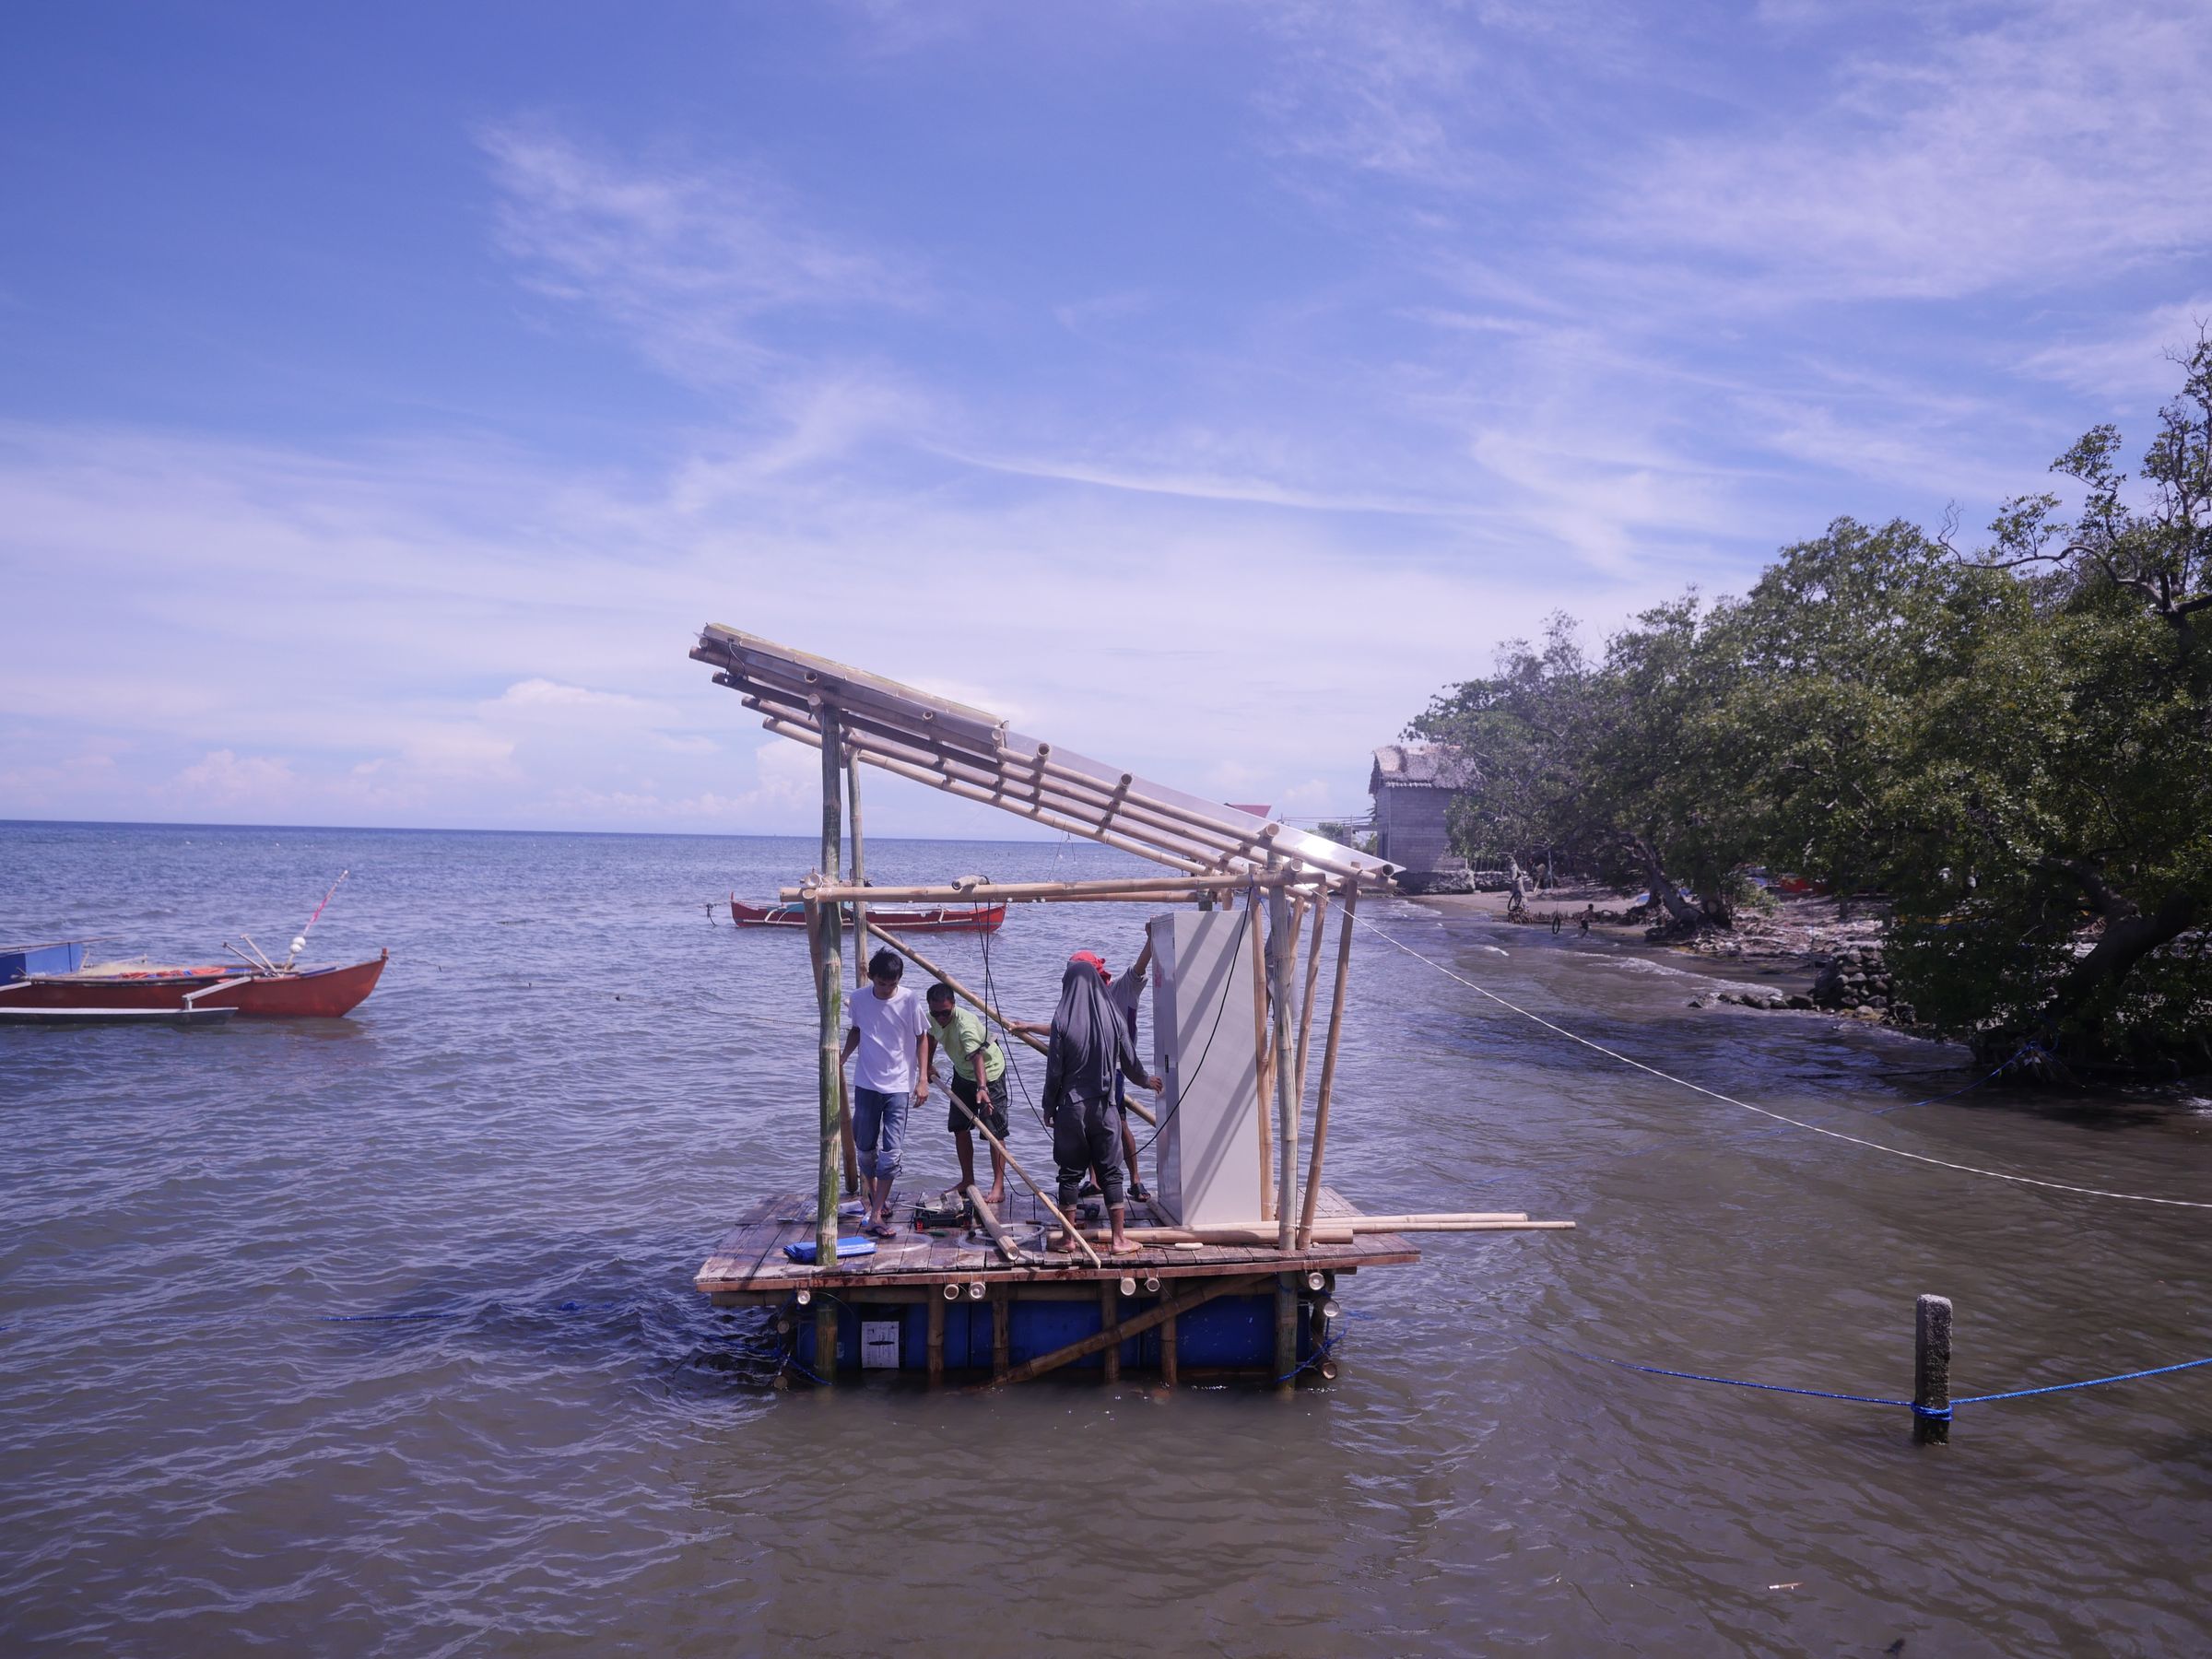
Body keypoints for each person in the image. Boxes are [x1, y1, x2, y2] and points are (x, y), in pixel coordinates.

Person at [1040, 953, 1159, 1256]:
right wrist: (1146, 1081)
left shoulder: (1061, 1019)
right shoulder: (1113, 1017)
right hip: (1105, 1108)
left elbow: (1054, 1071)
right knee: (1111, 1172)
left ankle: (1068, 1240)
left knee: (1069, 1173)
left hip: (1071, 1108)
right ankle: (1119, 1240)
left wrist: (1048, 1107)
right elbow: (1130, 1062)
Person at [838, 947, 932, 1237]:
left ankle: (876, 1214)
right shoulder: (858, 998)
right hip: (867, 1083)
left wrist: (923, 1079)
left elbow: (922, 1037)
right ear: (871, 977)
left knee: (891, 1153)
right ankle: (876, 1195)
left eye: (893, 983)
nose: (887, 988)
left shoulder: (909, 999)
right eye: (882, 983)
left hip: (899, 1085)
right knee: (865, 1149)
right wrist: (841, 1058)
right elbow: (857, 1030)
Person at [924, 981, 1008, 1206]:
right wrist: (928, 1066)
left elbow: (977, 1057)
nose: (941, 1018)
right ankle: (967, 1180)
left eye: (945, 1012)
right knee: (959, 1127)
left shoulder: (965, 1025)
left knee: (993, 1131)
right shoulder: (932, 1018)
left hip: (989, 1073)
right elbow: (930, 1037)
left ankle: (998, 1186)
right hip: (962, 1073)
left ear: (953, 1004)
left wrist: (982, 1089)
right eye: (936, 1013)